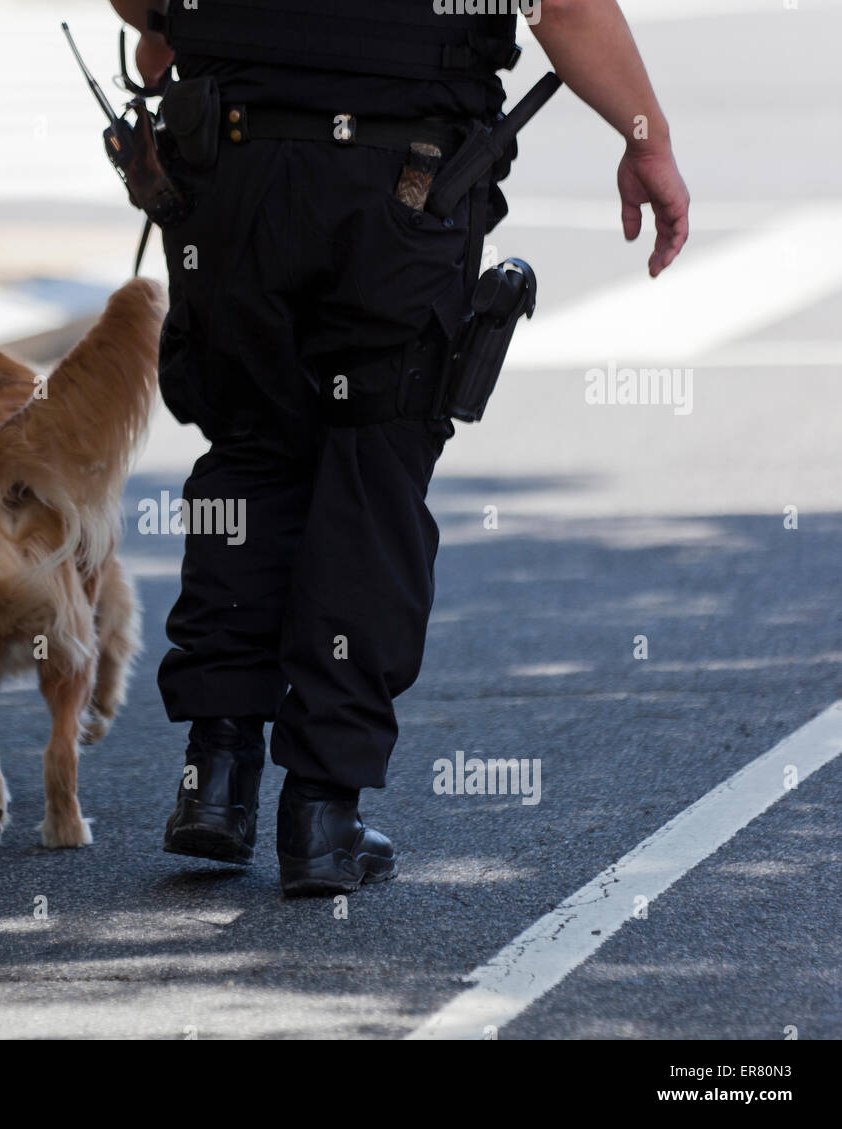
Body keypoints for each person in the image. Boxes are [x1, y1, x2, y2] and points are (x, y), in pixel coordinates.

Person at [107, 0, 690, 895]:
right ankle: (321, 816)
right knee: (371, 476)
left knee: (251, 449)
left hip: (234, 166)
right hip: (400, 179)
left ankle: (214, 780)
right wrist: (645, 136)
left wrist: (166, 21)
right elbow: (562, 7)